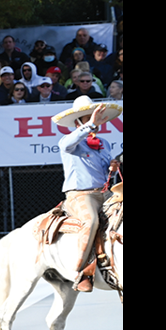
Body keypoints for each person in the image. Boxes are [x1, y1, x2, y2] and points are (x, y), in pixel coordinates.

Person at [53, 97, 121, 291]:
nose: (95, 121)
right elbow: (66, 145)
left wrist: (112, 168)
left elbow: (104, 171)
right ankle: (82, 271)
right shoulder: (68, 142)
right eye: (88, 117)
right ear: (78, 123)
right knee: (91, 221)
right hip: (79, 195)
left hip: (105, 193)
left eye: (96, 117)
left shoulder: (104, 143)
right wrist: (91, 124)